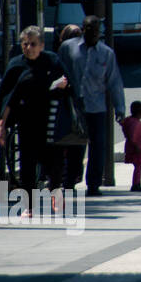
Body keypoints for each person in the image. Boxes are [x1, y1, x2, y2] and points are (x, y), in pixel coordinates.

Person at [0, 27, 67, 216]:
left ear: (42, 45)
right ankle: (29, 206)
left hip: (50, 121)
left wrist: (62, 85)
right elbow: (7, 98)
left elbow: (67, 83)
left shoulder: (52, 61)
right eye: (25, 43)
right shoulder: (16, 66)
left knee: (54, 163)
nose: (29, 47)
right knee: (27, 164)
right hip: (26, 121)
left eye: (33, 44)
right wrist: (1, 126)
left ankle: (56, 195)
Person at [67, 16, 125, 196]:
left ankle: (93, 183)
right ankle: (69, 181)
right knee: (74, 146)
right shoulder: (69, 48)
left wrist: (120, 107)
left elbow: (114, 81)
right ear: (83, 29)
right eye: (88, 28)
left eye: (96, 29)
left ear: (100, 31)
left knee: (98, 146)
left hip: (96, 106)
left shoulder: (106, 53)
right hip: (74, 106)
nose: (92, 32)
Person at [52, 24, 89, 194]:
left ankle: (69, 179)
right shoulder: (56, 58)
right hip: (62, 107)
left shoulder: (81, 54)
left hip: (75, 106)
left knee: (75, 143)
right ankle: (62, 179)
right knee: (62, 146)